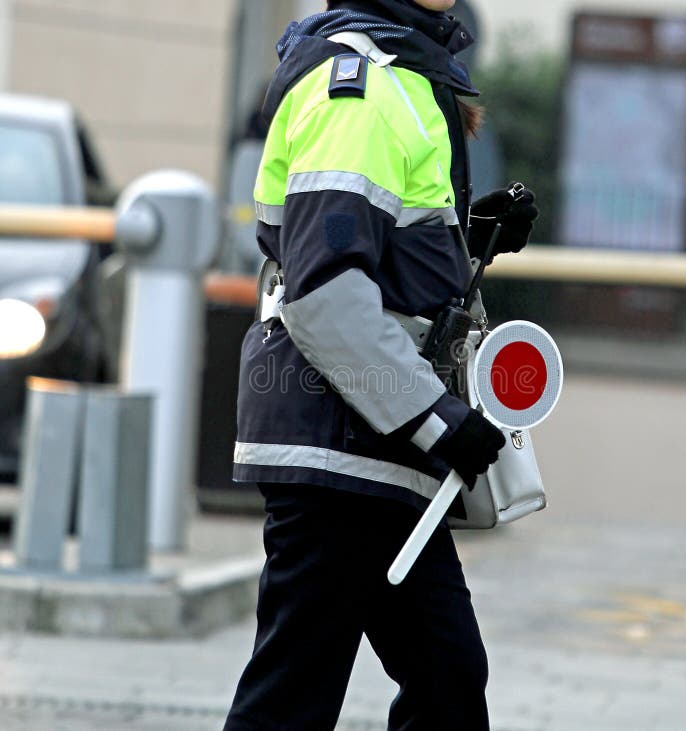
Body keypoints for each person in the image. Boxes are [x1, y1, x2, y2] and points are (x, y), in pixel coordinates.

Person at [224, 1, 537, 729]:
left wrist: (471, 234)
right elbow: (325, 292)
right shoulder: (360, 87)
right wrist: (437, 420)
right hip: (344, 445)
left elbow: (376, 246)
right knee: (302, 695)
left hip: (366, 447)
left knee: (444, 681)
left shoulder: (403, 72)